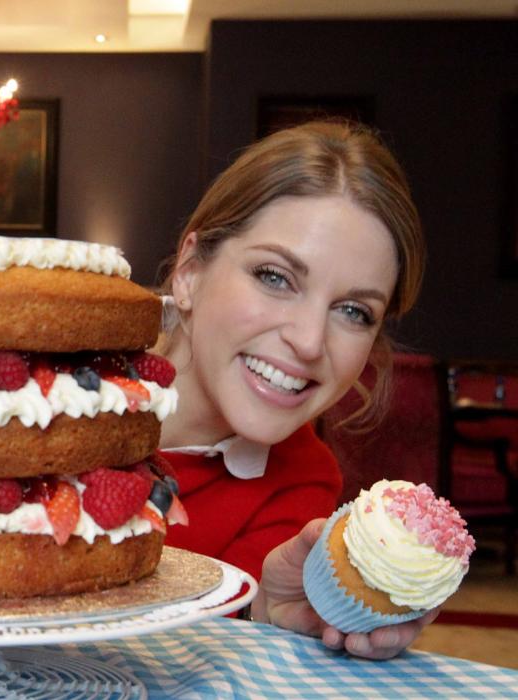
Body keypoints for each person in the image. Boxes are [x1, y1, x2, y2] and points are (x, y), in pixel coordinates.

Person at [155, 120, 429, 660]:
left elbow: (200, 655)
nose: (308, 342)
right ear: (189, 272)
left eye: (353, 311)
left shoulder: (303, 483)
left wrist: (265, 614)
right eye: (275, 277)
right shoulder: (34, 388)